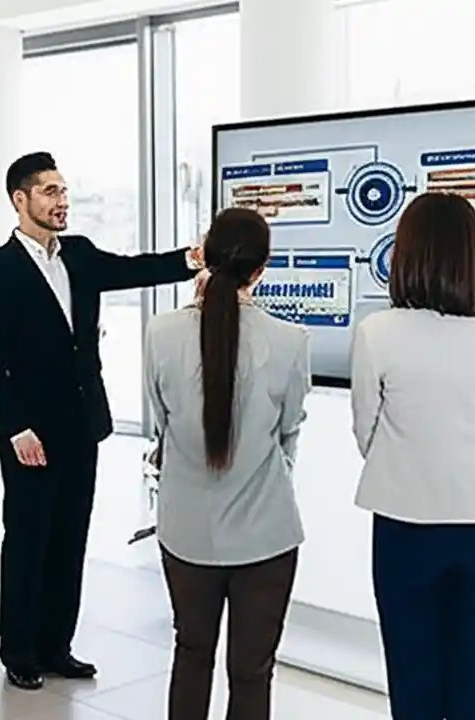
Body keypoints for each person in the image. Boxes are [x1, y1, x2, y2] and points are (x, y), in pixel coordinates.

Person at [0, 151, 203, 691]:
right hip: (30, 433)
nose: (61, 201)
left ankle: (57, 646)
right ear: (19, 199)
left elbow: (133, 268)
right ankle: (20, 650)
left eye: (64, 191)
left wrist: (192, 258)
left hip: (81, 425)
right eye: (49, 192)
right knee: (28, 540)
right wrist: (13, 429)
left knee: (70, 536)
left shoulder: (77, 254)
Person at [350, 192, 475, 720]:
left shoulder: (377, 332)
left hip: (405, 525)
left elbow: (366, 433)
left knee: (412, 685)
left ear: (407, 254)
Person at [143, 207, 311, 720]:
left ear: (206, 256)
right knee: (253, 672)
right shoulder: (289, 341)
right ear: (261, 269)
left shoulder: (160, 332)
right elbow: (289, 431)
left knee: (191, 655)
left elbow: (161, 424)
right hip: (266, 534)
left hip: (186, 531)